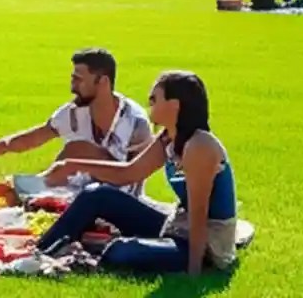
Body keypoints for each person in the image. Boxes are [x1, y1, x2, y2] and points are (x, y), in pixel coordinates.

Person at [38, 71, 237, 275]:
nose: (149, 103)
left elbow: (199, 213)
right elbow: (129, 172)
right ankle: (39, 252)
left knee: (121, 251)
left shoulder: (199, 146)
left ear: (174, 104)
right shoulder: (169, 138)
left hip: (208, 245)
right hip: (176, 227)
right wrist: (72, 165)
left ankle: (88, 258)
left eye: (154, 98)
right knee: (97, 194)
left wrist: (194, 270)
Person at [0, 48, 154, 194]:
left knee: (77, 149)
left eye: (78, 80)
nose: (72, 87)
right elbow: (35, 137)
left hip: (119, 202)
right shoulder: (75, 112)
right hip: (79, 192)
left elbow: (132, 177)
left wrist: (76, 163)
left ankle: (39, 186)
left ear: (103, 82)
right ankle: (39, 187)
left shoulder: (135, 123)